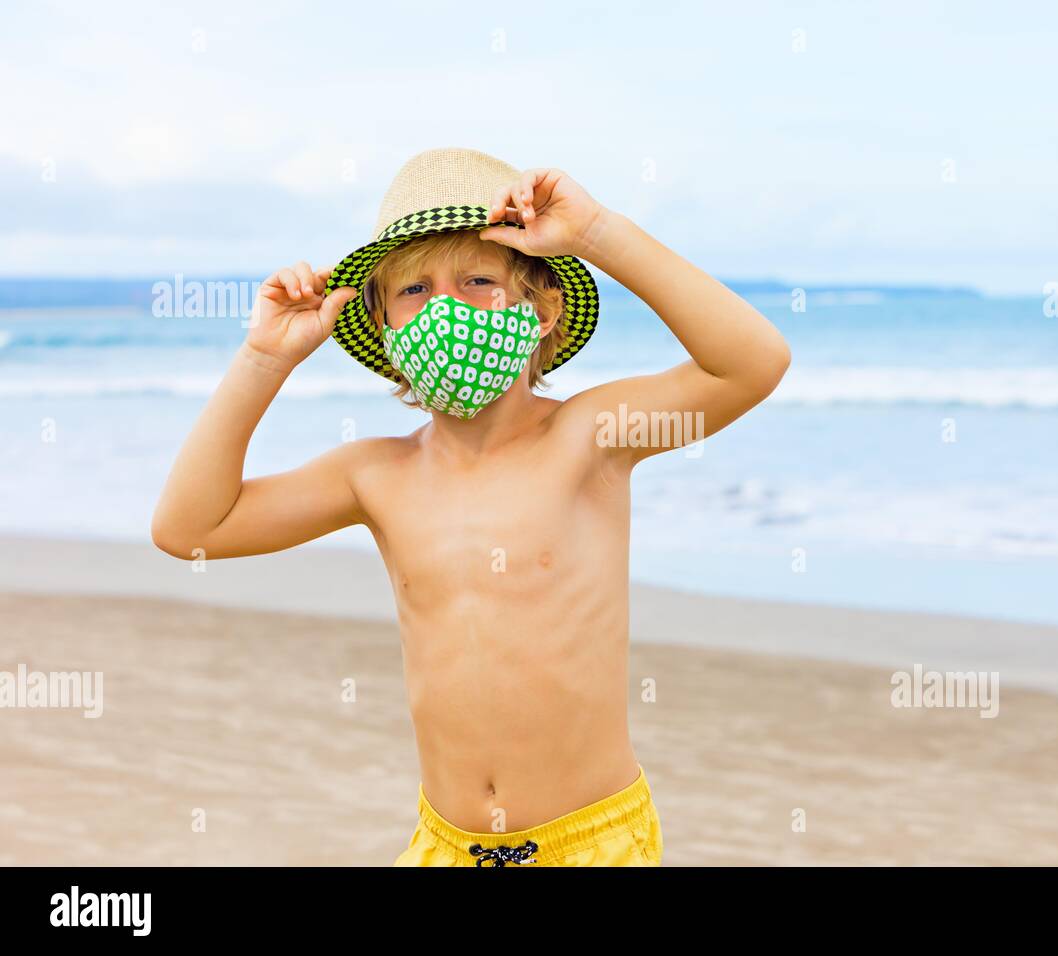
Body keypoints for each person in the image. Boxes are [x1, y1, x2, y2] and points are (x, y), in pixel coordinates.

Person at [151, 147, 791, 866]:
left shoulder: (591, 439)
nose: (446, 306)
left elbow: (752, 362)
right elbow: (189, 528)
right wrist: (265, 360)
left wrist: (596, 234)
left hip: (591, 845)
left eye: (478, 278)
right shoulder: (377, 474)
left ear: (543, 308)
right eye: (415, 290)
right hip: (445, 847)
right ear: (384, 325)